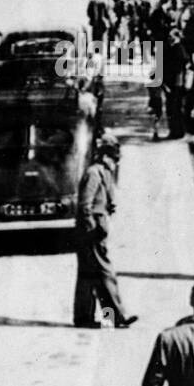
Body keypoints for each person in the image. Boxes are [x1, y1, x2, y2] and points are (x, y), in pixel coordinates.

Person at [73, 135, 137, 329]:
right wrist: (92, 227)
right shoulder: (94, 173)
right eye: (112, 157)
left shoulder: (104, 173)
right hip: (91, 230)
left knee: (89, 276)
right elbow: (85, 203)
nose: (114, 162)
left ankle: (87, 318)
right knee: (104, 273)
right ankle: (115, 317)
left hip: (95, 228)